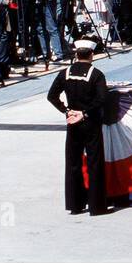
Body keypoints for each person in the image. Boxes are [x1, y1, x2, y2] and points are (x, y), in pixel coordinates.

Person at [46, 36, 109, 215]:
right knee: (94, 162)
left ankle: (75, 204)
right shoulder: (96, 74)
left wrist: (66, 110)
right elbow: (102, 99)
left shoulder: (65, 73)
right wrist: (85, 112)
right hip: (90, 122)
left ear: (76, 54)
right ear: (91, 54)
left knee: (73, 162)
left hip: (72, 121)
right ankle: (97, 206)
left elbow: (51, 96)